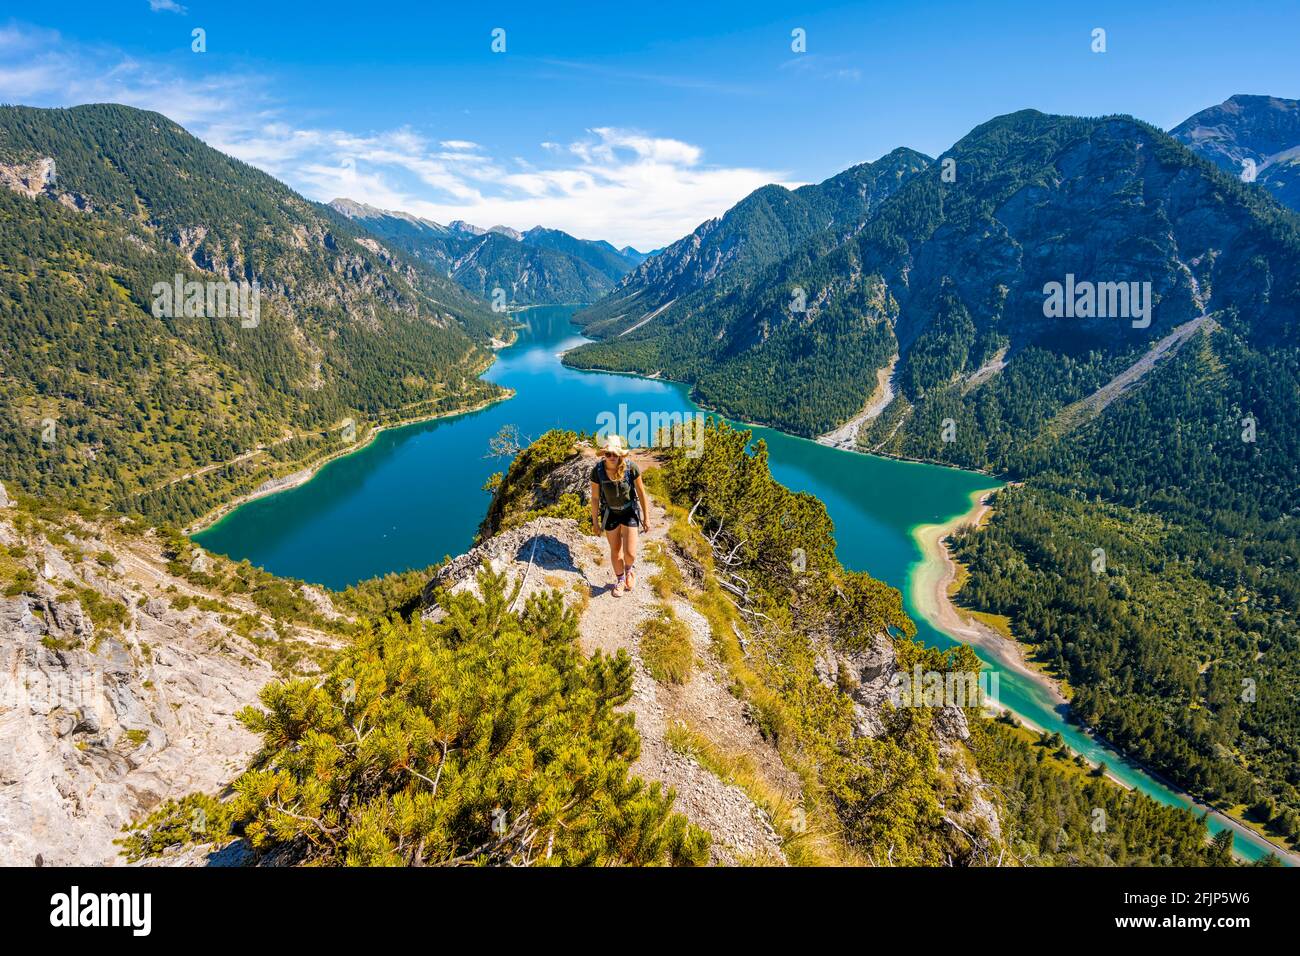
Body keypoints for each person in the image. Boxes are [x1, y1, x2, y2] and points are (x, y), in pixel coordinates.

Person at [589, 434, 651, 596]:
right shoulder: (597, 471)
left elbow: (642, 494)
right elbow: (595, 498)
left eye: (615, 454)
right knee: (615, 550)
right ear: (604, 454)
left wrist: (646, 518)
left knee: (630, 553)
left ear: (620, 454)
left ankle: (629, 570)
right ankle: (620, 580)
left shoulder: (631, 468)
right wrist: (595, 522)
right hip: (610, 513)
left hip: (629, 511)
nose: (611, 457)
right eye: (608, 454)